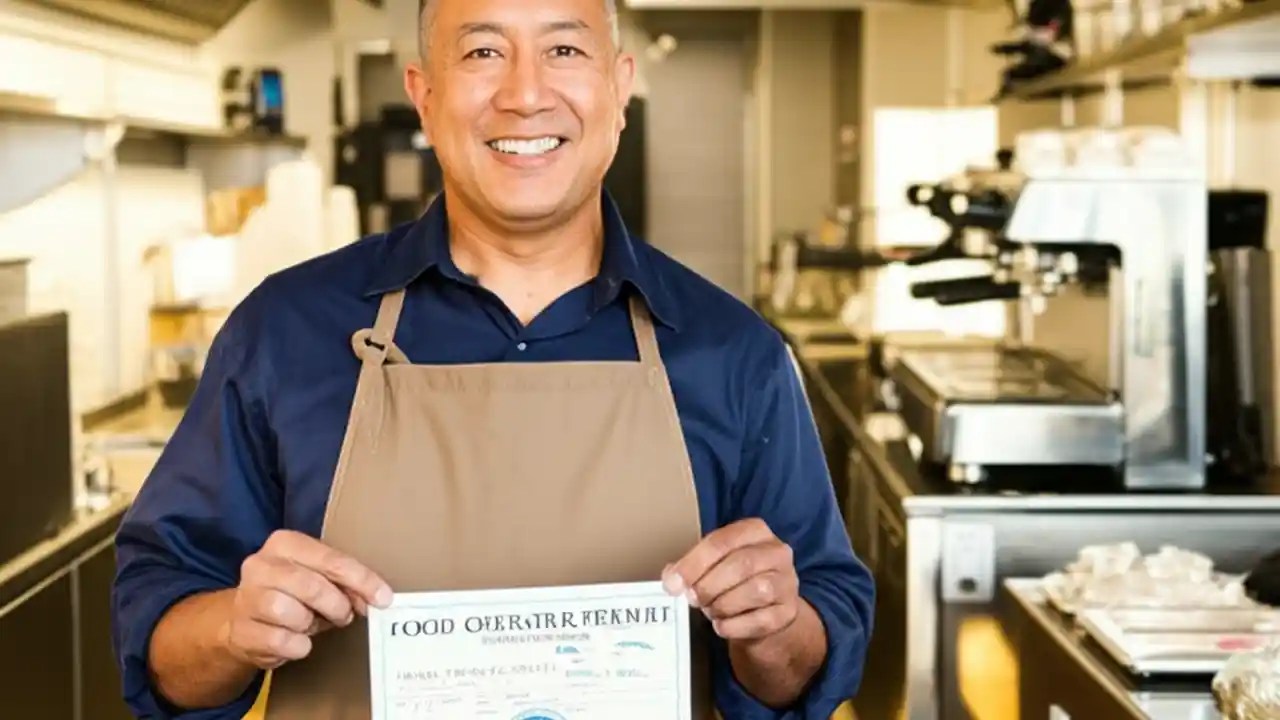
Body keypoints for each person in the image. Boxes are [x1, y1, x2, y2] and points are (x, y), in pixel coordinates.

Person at [110, 0, 875, 717]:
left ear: (619, 88)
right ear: (426, 94)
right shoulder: (283, 333)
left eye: (565, 48)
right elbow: (161, 637)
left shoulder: (735, 353)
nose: (525, 93)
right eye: (482, 51)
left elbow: (808, 654)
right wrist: (233, 628)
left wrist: (775, 625)